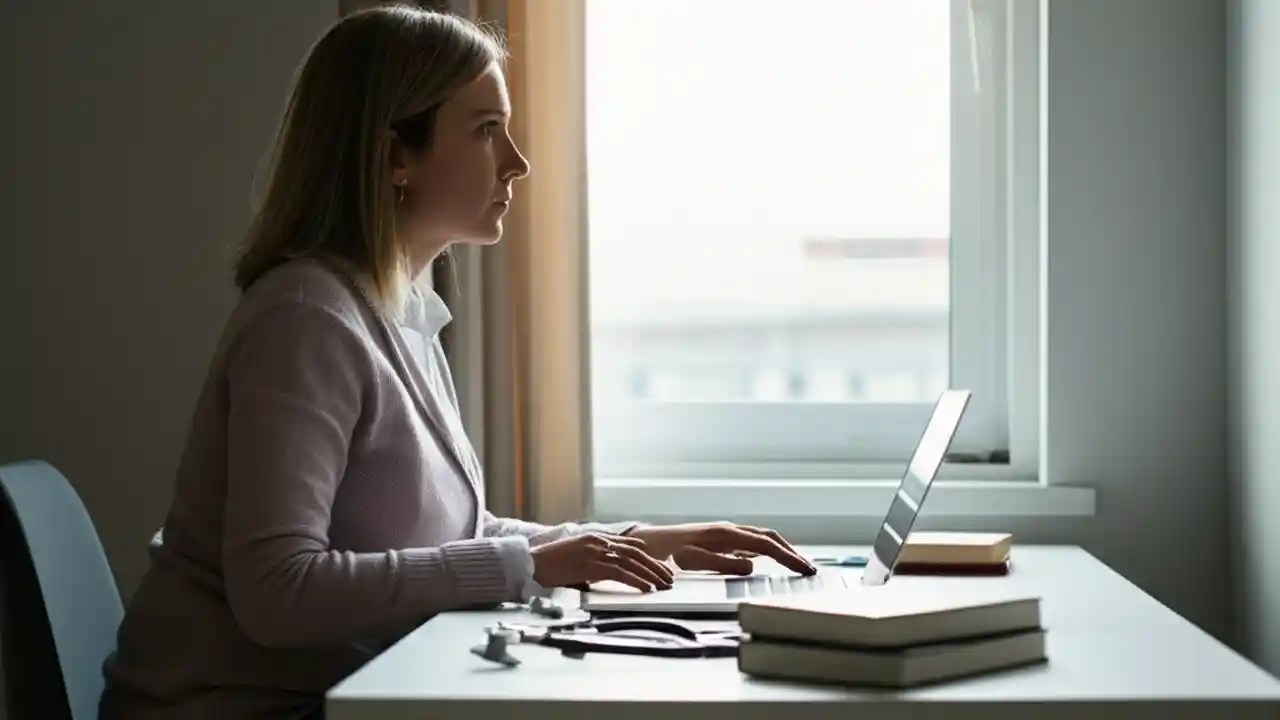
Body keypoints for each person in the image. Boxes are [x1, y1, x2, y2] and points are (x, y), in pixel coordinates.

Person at [99, 5, 815, 719]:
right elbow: (278, 592)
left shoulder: (399, 307)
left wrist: (636, 543)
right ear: (394, 158)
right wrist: (528, 566)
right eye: (485, 131)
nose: (518, 162)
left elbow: (446, 538)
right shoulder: (306, 321)